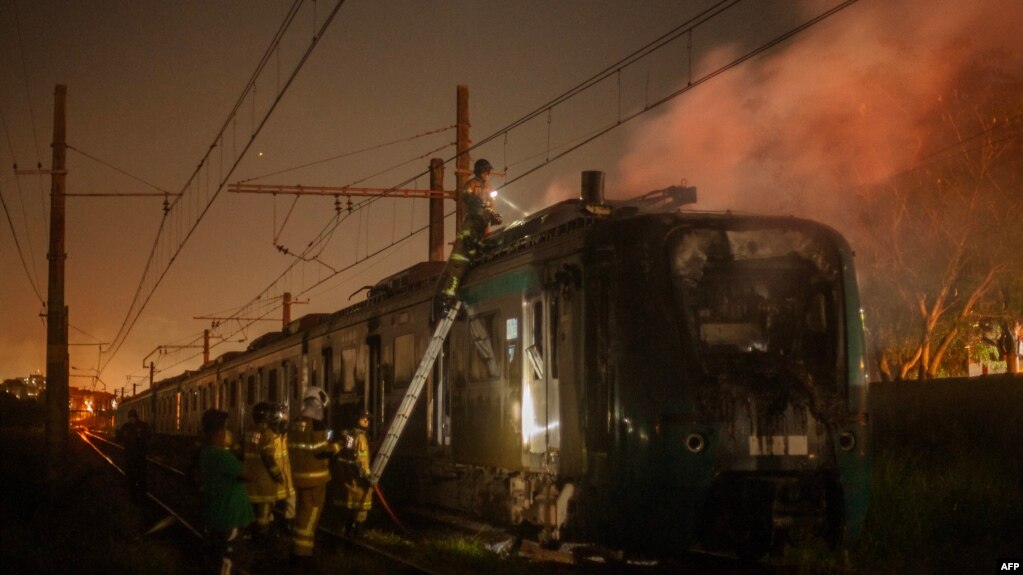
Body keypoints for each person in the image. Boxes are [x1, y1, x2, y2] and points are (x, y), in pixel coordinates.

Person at [434, 158, 504, 318]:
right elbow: (467, 197)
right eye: (486, 172)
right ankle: (446, 300)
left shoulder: (488, 188)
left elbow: (490, 206)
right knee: (458, 267)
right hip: (473, 226)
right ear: (480, 172)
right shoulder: (471, 185)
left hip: (483, 228)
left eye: (488, 173)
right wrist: (478, 204)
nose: (488, 175)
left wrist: (494, 216)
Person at [287, 386, 339, 568]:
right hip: (315, 479)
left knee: (301, 513)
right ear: (317, 404)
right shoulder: (316, 425)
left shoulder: (294, 423)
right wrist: (338, 446)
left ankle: (298, 551)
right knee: (310, 517)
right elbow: (321, 451)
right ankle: (302, 555)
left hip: (298, 478)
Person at [199, 409, 254, 575]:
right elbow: (248, 474)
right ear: (218, 433)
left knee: (215, 555)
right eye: (224, 430)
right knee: (228, 559)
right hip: (229, 516)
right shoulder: (222, 456)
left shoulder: (206, 453)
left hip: (215, 515)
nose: (226, 434)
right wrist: (236, 450)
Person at [243, 402, 294, 541]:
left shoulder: (249, 431)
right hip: (264, 482)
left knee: (252, 510)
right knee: (263, 513)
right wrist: (278, 475)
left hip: (250, 481)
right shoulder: (267, 433)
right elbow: (268, 458)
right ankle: (262, 537)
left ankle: (249, 533)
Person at [334, 410, 373, 538]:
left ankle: (348, 533)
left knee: (350, 507)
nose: (366, 421)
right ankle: (358, 534)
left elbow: (347, 454)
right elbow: (357, 458)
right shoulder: (358, 437)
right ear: (357, 419)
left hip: (350, 477)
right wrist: (366, 476)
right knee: (362, 507)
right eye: (363, 418)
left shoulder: (351, 436)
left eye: (368, 419)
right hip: (358, 479)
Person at [117, 408, 149, 503]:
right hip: (135, 456)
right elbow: (118, 438)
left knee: (136, 477)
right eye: (130, 417)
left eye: (132, 417)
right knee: (136, 477)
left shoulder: (127, 427)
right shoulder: (142, 426)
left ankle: (137, 496)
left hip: (135, 456)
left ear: (135, 417)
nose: (131, 419)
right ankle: (137, 496)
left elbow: (118, 438)